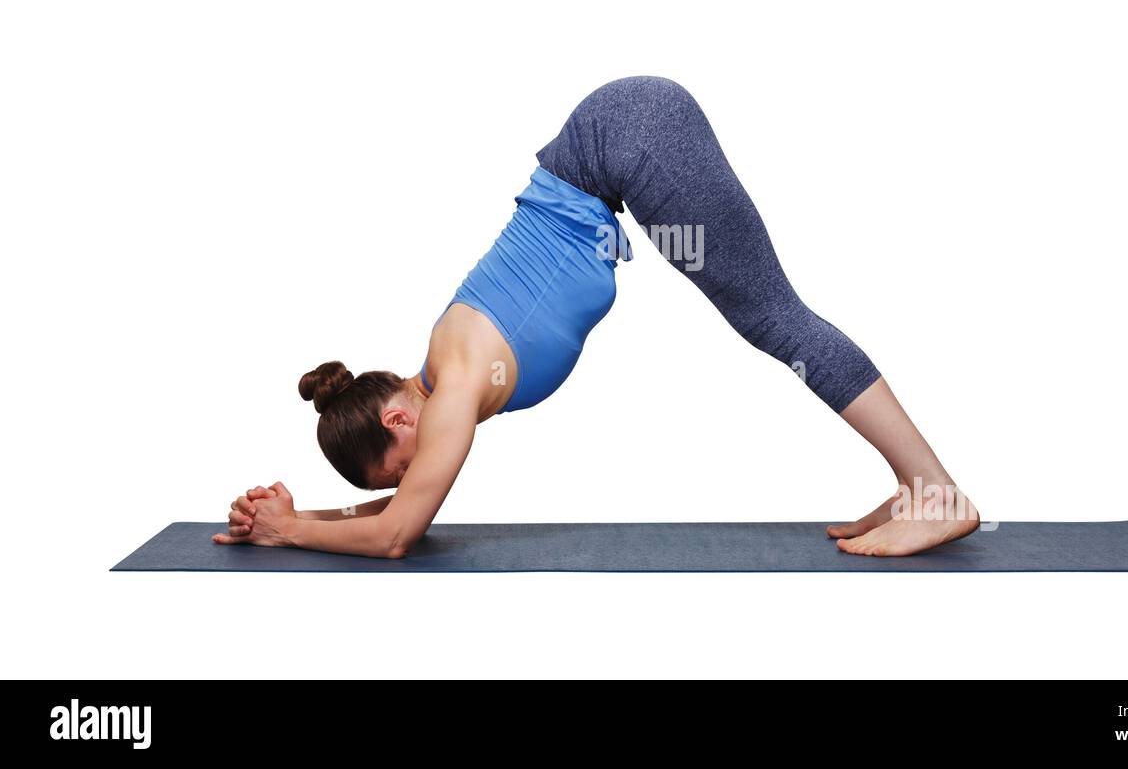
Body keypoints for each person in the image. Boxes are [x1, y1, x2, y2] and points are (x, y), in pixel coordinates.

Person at [215, 76, 980, 559]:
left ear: (396, 420)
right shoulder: (439, 378)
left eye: (404, 467)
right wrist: (299, 518)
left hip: (629, 138)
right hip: (622, 137)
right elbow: (394, 509)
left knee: (774, 319)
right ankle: (919, 485)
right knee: (772, 318)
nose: (422, 476)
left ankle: (936, 492)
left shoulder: (453, 388)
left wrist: (293, 532)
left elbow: (395, 533)